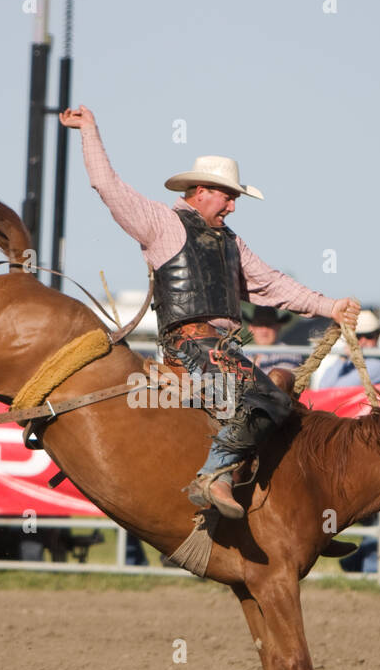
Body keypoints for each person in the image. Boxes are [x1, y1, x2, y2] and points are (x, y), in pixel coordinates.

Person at [60, 104, 361, 519]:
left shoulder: (231, 242)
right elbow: (107, 185)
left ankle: (293, 516)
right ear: (200, 191)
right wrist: (89, 131)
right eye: (228, 197)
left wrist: (330, 306)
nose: (233, 207)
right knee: (269, 400)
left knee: (286, 408)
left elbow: (272, 284)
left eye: (235, 199)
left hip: (220, 349)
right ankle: (214, 473)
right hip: (190, 343)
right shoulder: (162, 224)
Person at [318, 310, 380, 389]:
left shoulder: (379, 364)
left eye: (369, 336)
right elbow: (323, 385)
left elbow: (337, 387)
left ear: (377, 337)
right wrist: (342, 358)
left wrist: (343, 358)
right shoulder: (347, 360)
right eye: (358, 336)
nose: (363, 341)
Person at [244, 305, 301, 373]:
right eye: (259, 324)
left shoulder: (290, 355)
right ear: (251, 328)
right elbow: (231, 382)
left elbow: (281, 381)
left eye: (269, 324)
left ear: (278, 327)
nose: (264, 330)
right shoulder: (244, 354)